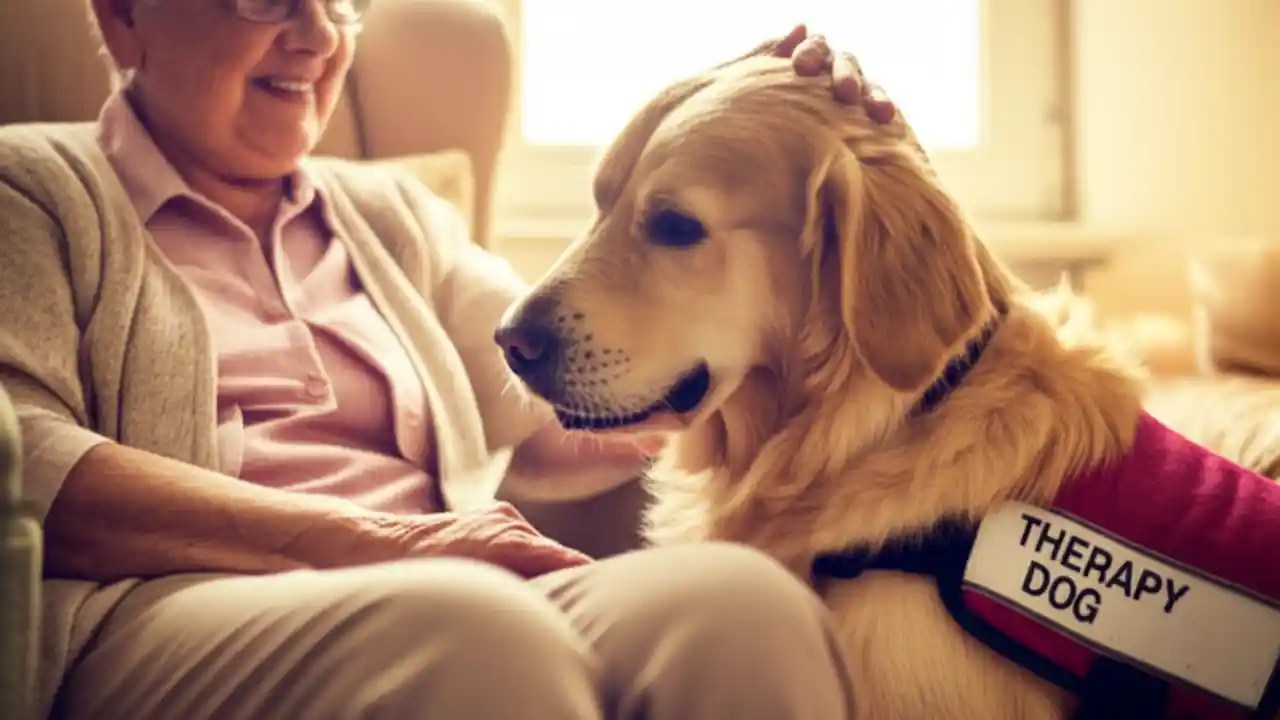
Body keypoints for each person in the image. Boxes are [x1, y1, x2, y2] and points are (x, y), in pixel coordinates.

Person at [0, 0, 896, 717]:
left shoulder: (393, 215)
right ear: (121, 16)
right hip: (155, 616)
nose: (315, 36)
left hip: (448, 589)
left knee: (740, 610)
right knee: (478, 631)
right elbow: (26, 466)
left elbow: (570, 399)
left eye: (339, 3)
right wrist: (380, 545)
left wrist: (758, 116)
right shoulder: (30, 189)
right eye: (269, 0)